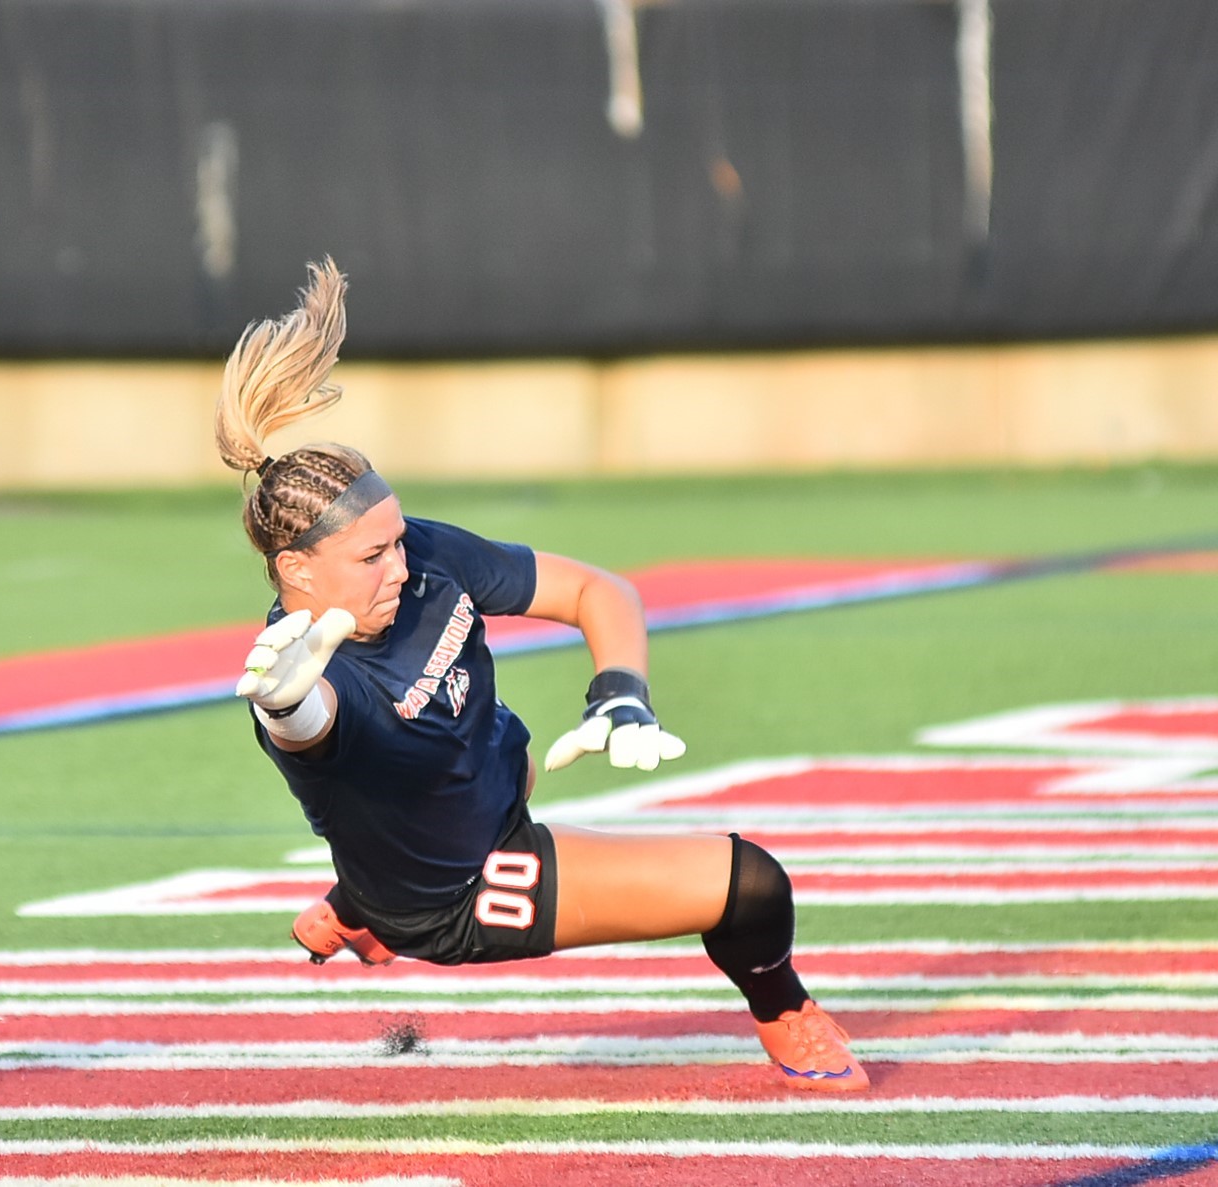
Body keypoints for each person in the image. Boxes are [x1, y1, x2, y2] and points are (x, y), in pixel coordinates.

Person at [215, 259, 867, 1092]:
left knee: (502, 757)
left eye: (401, 536)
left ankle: (359, 894)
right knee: (751, 885)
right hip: (458, 888)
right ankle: (786, 1010)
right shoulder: (301, 673)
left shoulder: (421, 558)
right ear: (295, 570)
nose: (403, 565)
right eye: (372, 554)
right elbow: (309, 724)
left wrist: (620, 693)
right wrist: (283, 705)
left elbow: (599, 590)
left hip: (488, 778)